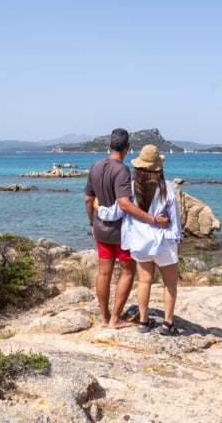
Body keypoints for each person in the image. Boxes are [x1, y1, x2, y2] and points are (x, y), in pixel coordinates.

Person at [84, 129, 169, 329]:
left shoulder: (95, 167)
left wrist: (92, 224)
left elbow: (88, 199)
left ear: (109, 145)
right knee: (127, 272)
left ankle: (104, 318)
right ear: (128, 148)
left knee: (104, 273)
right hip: (121, 232)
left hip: (101, 229)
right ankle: (115, 319)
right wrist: (153, 219)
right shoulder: (122, 170)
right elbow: (124, 204)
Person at [100, 144, 183, 336]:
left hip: (140, 243)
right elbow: (175, 220)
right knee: (169, 284)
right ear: (158, 168)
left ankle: (144, 321)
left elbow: (117, 210)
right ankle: (168, 324)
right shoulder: (166, 188)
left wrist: (99, 209)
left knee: (144, 281)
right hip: (163, 242)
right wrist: (178, 241)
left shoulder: (131, 187)